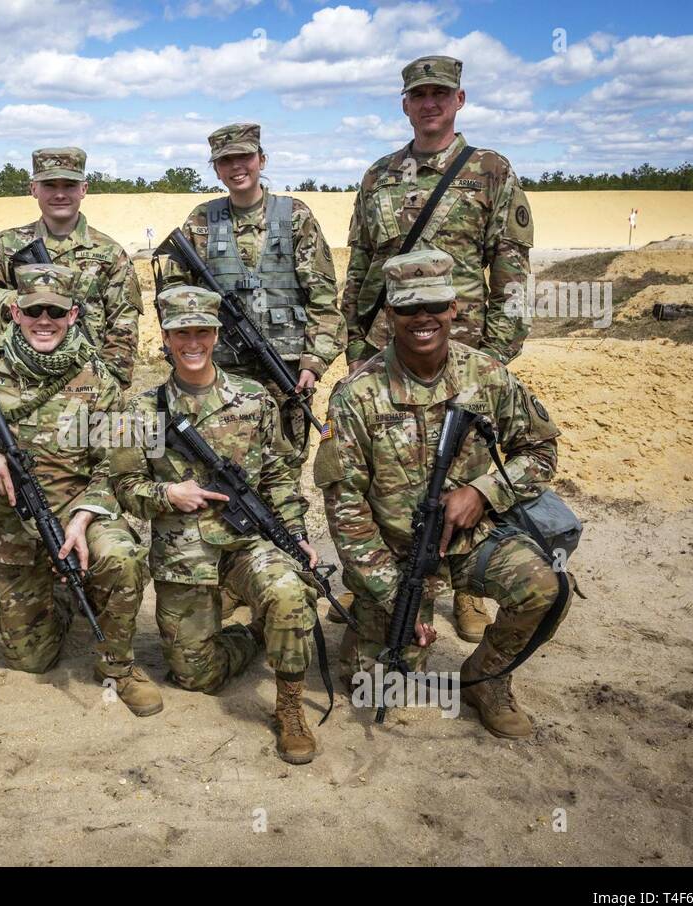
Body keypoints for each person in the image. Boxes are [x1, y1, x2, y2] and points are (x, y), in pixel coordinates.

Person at [315, 250, 570, 738]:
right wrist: (394, 596)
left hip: (473, 542)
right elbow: (344, 506)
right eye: (408, 308)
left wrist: (484, 490)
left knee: (547, 589)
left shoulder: (489, 376)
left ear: (454, 308)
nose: (422, 318)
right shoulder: (356, 394)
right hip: (395, 555)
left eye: (434, 304)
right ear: (389, 314)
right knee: (376, 686)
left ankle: (485, 678)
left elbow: (540, 451)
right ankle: (372, 625)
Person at [338, 55, 535, 643]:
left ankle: (467, 589)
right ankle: (374, 577)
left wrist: (500, 350)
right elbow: (361, 266)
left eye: (440, 94)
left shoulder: (491, 171)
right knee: (385, 473)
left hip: (464, 344)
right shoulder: (378, 176)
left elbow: (513, 267)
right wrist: (354, 343)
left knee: (465, 468)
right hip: (386, 345)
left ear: (459, 100)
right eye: (419, 94)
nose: (430, 103)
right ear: (404, 103)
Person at [110, 286, 322, 764]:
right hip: (185, 556)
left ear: (216, 334)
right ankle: (249, 634)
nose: (192, 341)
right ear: (164, 337)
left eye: (202, 331)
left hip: (247, 544)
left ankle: (289, 708)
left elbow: (279, 476)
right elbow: (122, 486)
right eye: (181, 332)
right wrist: (168, 494)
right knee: (195, 676)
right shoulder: (141, 411)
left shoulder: (254, 399)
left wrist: (298, 536)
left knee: (289, 592)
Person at [0, 263, 159, 716]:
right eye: (34, 310)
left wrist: (82, 519)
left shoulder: (99, 380)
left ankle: (117, 663)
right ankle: (55, 592)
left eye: (55, 312)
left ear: (73, 315)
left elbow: (115, 467)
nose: (44, 320)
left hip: (80, 519)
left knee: (122, 557)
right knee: (27, 661)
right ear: (15, 313)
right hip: (12, 532)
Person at [155, 123, 345, 479]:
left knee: (283, 468)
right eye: (226, 160)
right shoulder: (201, 221)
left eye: (244, 156)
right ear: (216, 169)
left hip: (285, 369)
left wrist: (314, 361)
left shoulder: (294, 216)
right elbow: (173, 292)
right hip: (219, 367)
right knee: (220, 463)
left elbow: (322, 297)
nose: (236, 167)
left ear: (261, 159)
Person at [0, 147, 142, 388]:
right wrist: (30, 302)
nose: (59, 194)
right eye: (49, 185)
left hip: (83, 381)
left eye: (69, 185)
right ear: (33, 189)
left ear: (84, 189)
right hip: (18, 380)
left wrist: (112, 383)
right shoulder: (7, 245)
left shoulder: (110, 253)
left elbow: (123, 325)